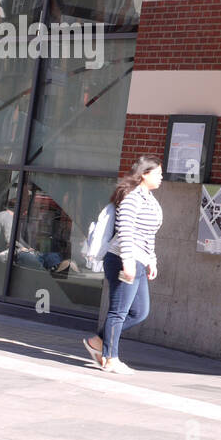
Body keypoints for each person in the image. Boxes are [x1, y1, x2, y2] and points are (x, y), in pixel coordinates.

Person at [81, 155, 163, 374]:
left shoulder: (150, 199)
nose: (161, 177)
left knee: (140, 312)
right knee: (118, 311)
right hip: (122, 258)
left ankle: (98, 341)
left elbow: (149, 234)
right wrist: (128, 262)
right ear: (145, 174)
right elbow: (125, 230)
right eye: (158, 173)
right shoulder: (132, 197)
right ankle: (110, 358)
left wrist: (151, 260)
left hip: (139, 260)